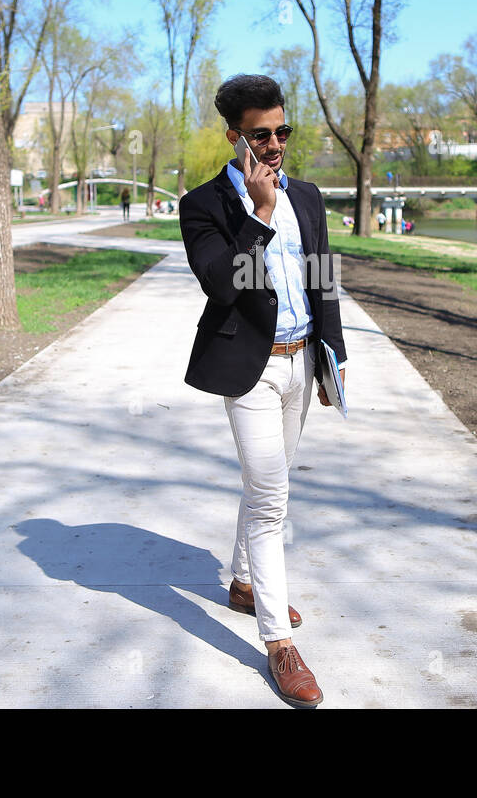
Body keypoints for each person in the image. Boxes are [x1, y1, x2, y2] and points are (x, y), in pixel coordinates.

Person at [179, 74, 347, 708]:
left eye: (282, 130)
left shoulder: (308, 195)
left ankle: (246, 584)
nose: (276, 144)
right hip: (248, 369)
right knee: (272, 499)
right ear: (235, 136)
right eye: (261, 134)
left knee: (269, 484)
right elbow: (223, 285)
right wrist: (262, 213)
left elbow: (322, 280)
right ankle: (278, 643)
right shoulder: (205, 205)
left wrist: (332, 361)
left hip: (302, 362)